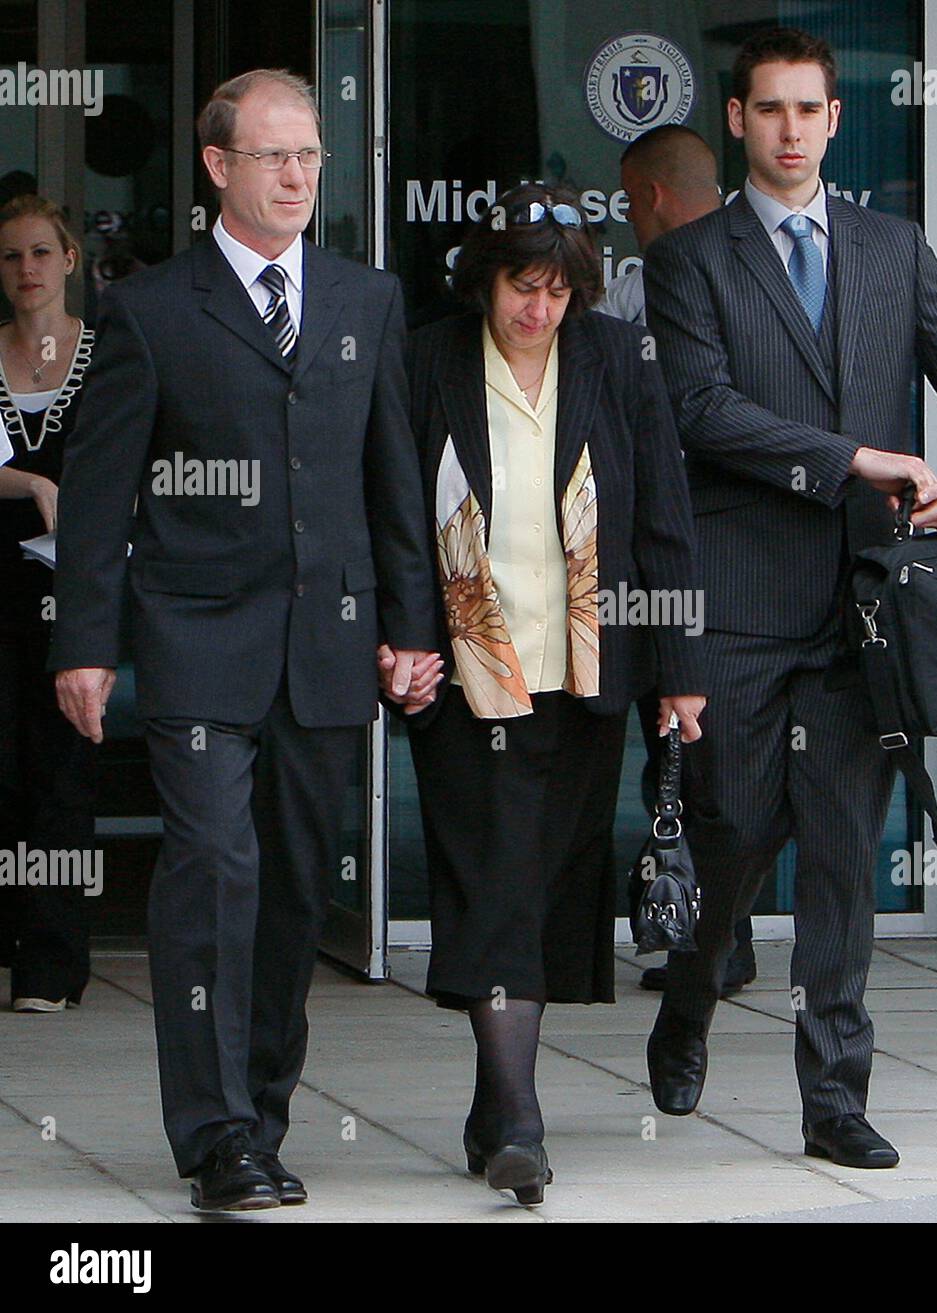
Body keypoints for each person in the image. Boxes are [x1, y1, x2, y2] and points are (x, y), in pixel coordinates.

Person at [49, 69, 440, 1213]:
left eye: (311, 155)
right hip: (198, 645)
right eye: (273, 156)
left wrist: (412, 627)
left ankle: (261, 1115)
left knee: (291, 894)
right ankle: (217, 1134)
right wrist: (86, 641)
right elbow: (100, 486)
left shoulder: (367, 301)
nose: (297, 176)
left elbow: (392, 484)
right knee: (214, 873)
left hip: (329, 647)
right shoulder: (152, 311)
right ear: (218, 167)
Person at [643, 27, 937, 1168]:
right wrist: (856, 458)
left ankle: (835, 1095)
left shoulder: (891, 247)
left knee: (848, 849)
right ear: (739, 122)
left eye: (810, 109)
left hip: (867, 601)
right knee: (737, 831)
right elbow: (702, 412)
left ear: (836, 119)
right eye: (770, 111)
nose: (792, 130)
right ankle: (691, 996)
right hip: (741, 595)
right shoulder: (690, 260)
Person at [395, 181, 705, 1206]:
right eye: (521, 289)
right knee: (487, 879)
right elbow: (393, 508)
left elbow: (660, 510)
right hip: (467, 666)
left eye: (557, 291)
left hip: (583, 670)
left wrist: (678, 670)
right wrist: (402, 638)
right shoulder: (427, 357)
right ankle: (521, 1121)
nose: (538, 311)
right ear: (483, 281)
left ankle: (495, 1101)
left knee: (542, 883)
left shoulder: (616, 359)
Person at [597, 124, 757, 997]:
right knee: (691, 748)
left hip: (700, 550)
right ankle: (703, 925)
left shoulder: (648, 288)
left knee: (705, 747)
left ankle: (713, 932)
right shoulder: (759, 274)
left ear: (650, 197)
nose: (629, 217)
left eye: (628, 201)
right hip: (697, 551)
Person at [0, 195, 97, 1013]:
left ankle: (51, 964)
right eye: (10, 256)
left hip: (74, 591)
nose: (26, 269)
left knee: (59, 770)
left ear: (69, 259)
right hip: (0, 582)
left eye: (40, 252)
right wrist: (32, 481)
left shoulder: (106, 357)